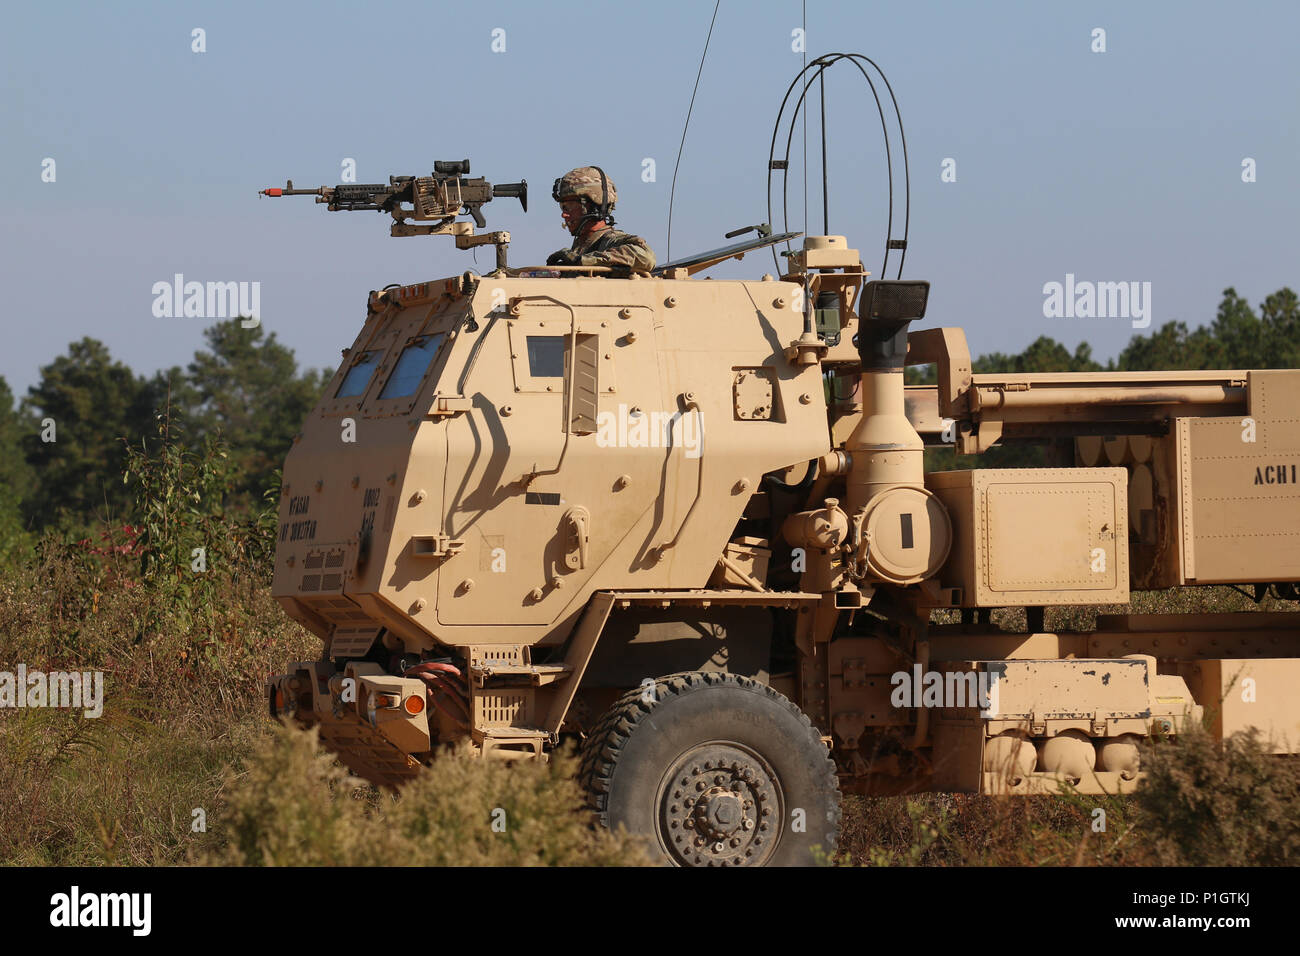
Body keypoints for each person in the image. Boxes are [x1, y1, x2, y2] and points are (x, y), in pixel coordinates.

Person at [545, 166, 656, 272]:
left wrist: (583, 261)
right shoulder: (578, 249)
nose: (564, 215)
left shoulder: (612, 242)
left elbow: (646, 257)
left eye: (569, 207)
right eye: (562, 207)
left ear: (594, 205)